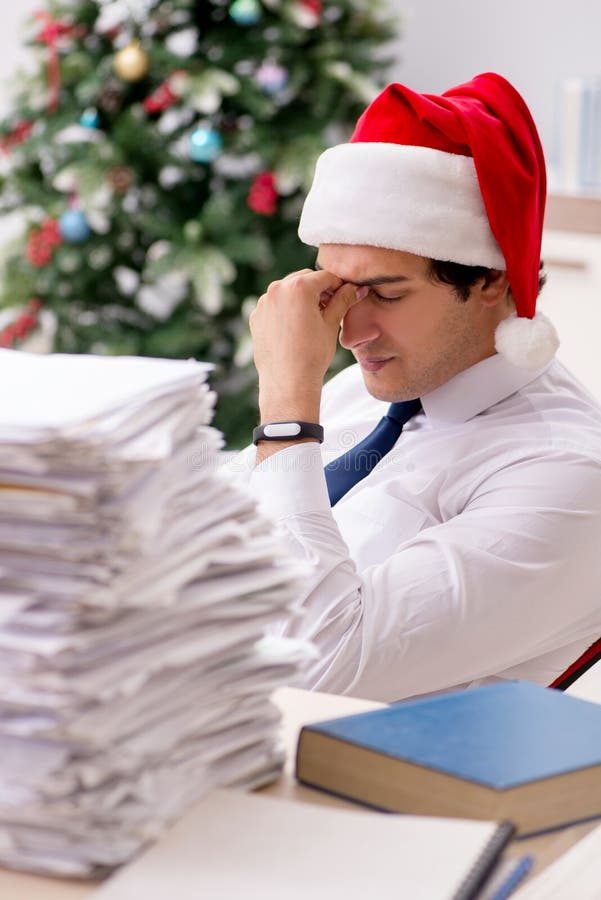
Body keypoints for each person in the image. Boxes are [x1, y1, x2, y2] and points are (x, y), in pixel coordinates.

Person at [229, 72, 601, 702]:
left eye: (385, 292)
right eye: (336, 288)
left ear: (491, 281)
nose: (349, 331)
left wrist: (287, 412)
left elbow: (313, 671)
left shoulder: (568, 475)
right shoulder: (360, 397)